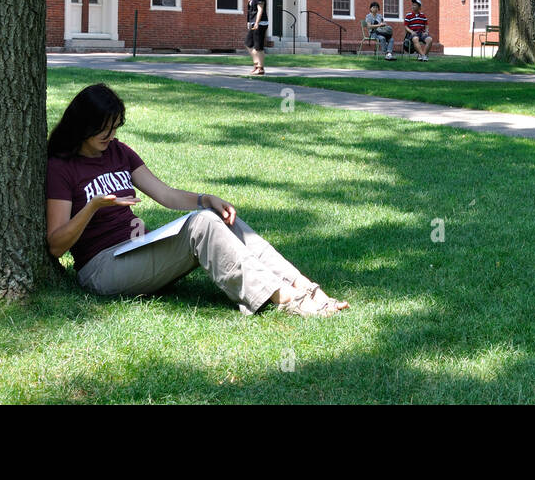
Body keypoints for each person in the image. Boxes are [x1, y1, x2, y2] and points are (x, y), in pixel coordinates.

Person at [45, 84, 348, 316]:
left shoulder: (118, 151)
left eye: (116, 127)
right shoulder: (62, 166)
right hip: (101, 267)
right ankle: (282, 298)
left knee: (219, 217)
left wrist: (206, 199)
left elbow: (165, 194)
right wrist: (93, 206)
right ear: (83, 124)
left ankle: (301, 284)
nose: (111, 135)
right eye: (104, 128)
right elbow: (57, 246)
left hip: (137, 246)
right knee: (201, 224)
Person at [245, 0, 269, 76]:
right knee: (248, 43)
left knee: (258, 47)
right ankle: (257, 64)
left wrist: (256, 23)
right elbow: (251, 11)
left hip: (260, 23)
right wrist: (249, 22)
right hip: (254, 22)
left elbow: (260, 11)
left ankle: (260, 68)